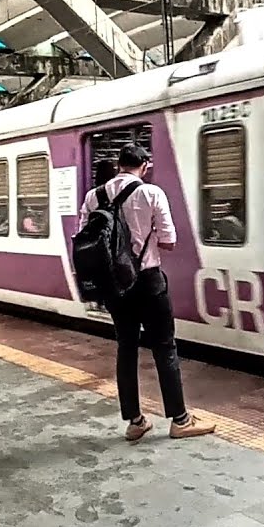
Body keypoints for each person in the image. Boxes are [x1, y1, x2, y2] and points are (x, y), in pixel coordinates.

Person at [78, 143, 216, 442]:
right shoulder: (151, 193)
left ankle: (135, 421)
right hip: (148, 280)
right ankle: (180, 420)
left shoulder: (94, 197)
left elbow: (83, 238)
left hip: (114, 285)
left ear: (119, 165)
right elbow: (170, 241)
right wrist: (146, 235)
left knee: (125, 348)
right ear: (144, 166)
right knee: (164, 347)